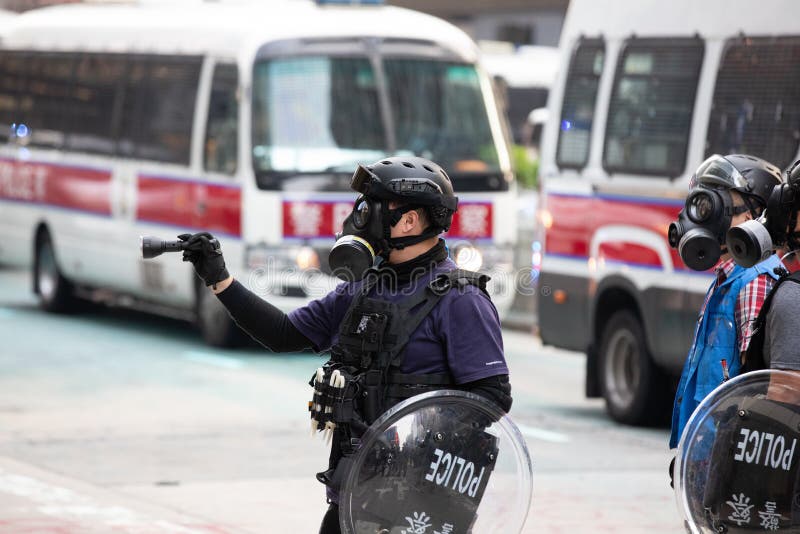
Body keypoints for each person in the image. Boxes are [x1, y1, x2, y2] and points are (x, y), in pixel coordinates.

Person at [178, 156, 512, 534]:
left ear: (409, 220)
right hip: (353, 498)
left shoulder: (460, 299)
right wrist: (220, 279)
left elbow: (491, 397)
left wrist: (420, 440)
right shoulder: (363, 287)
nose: (360, 216)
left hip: (418, 513)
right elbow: (284, 334)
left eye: (372, 207)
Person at [668, 154, 784, 456]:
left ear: (751, 218)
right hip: (702, 444)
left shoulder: (755, 281)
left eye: (716, 207)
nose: (704, 217)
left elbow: (753, 382)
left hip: (725, 448)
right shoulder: (726, 276)